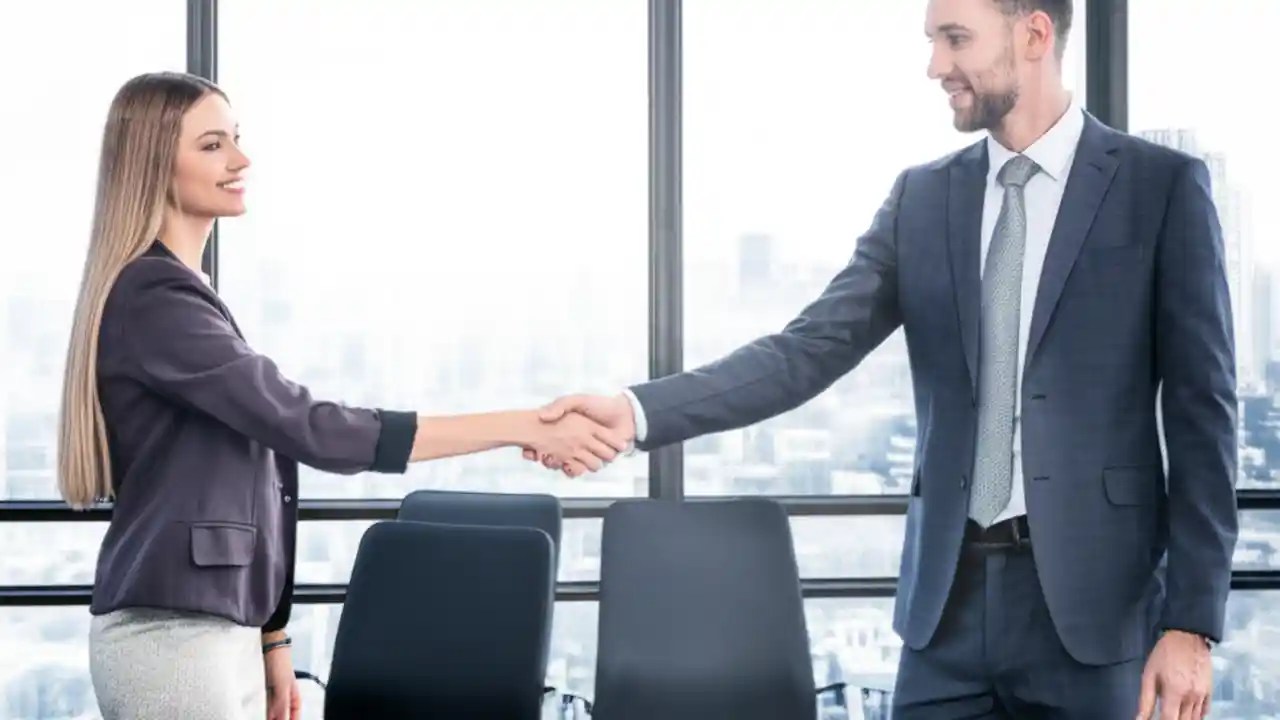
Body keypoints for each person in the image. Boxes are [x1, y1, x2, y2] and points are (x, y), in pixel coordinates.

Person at [530, 0, 1237, 717]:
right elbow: (806, 351)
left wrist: (1191, 623)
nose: (936, 66)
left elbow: (1202, 418)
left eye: (955, 40)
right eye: (933, 41)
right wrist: (636, 411)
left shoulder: (1160, 188)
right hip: (945, 613)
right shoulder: (923, 198)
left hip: (1099, 612)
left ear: (1034, 34)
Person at [57, 71, 626, 720]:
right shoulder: (158, 298)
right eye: (213, 145)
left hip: (219, 630)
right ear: (155, 163)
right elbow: (312, 429)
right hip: (173, 638)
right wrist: (524, 425)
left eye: (236, 138)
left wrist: (271, 638)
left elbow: (254, 472)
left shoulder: (183, 293)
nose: (241, 160)